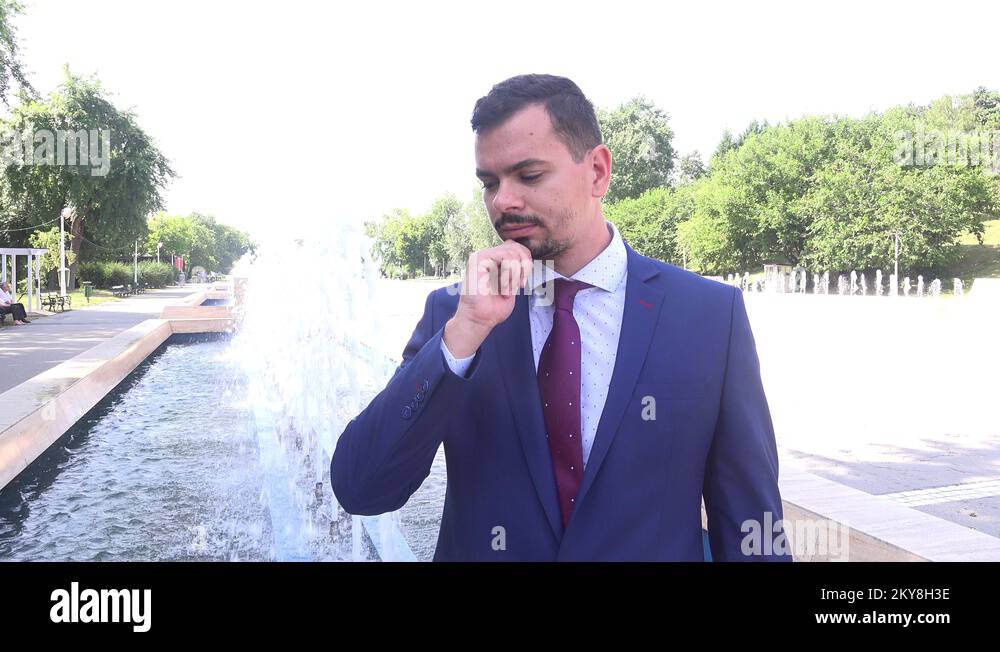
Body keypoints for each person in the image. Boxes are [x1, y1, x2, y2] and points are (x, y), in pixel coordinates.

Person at [331, 74, 790, 561]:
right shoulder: (456, 313)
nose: (502, 200)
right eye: (490, 182)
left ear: (597, 171)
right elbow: (363, 489)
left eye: (528, 176)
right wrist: (463, 337)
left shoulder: (709, 317)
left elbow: (750, 522)